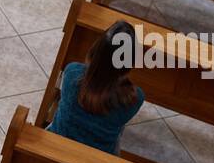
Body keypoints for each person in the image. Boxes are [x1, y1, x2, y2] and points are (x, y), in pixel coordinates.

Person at [46, 20, 145, 155]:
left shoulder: (72, 72)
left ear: (96, 49)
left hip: (54, 148)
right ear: (130, 62)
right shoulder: (135, 98)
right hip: (96, 161)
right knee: (118, 130)